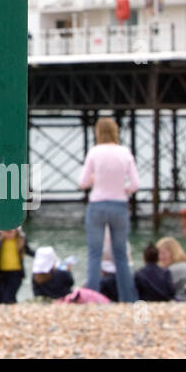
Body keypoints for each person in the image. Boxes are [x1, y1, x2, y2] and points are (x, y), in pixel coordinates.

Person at [78, 117, 140, 303]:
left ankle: (92, 297)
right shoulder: (125, 152)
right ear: (116, 131)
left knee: (95, 254)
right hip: (119, 205)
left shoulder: (94, 152)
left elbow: (82, 182)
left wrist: (94, 180)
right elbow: (136, 184)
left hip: (97, 205)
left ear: (98, 132)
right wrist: (125, 189)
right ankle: (128, 298)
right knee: (120, 255)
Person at [0, 228, 34, 303]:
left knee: (9, 297)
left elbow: (28, 251)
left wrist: (41, 256)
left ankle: (11, 311)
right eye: (7, 231)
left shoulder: (20, 239)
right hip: (0, 273)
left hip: (16, 273)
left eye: (11, 231)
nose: (9, 234)